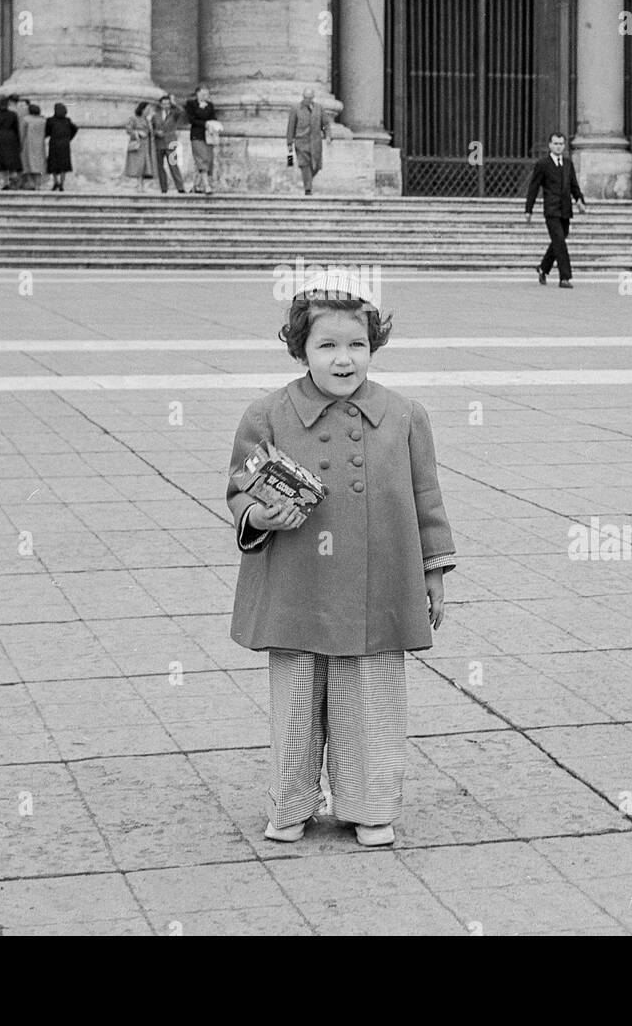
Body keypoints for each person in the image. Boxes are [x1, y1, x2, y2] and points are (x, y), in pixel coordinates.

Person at [226, 273, 456, 849]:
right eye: (326, 345)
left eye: (356, 344)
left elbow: (426, 498)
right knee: (296, 704)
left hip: (378, 587)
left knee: (371, 701)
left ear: (373, 346)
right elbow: (239, 489)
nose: (343, 359)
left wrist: (432, 572)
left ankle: (370, 805)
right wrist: (259, 517)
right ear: (300, 349)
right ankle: (291, 803)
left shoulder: (405, 415)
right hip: (298, 586)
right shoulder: (267, 415)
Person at [524, 131, 587, 288]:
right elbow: (534, 187)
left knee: (559, 240)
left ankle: (543, 268)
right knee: (560, 243)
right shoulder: (543, 164)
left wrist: (580, 200)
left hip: (565, 209)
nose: (558, 147)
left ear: (564, 146)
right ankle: (565, 277)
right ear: (550, 145)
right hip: (551, 210)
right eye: (556, 144)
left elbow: (573, 185)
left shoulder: (568, 164)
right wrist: (528, 209)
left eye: (561, 144)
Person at [286, 87, 331, 195]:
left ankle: (308, 181)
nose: (308, 100)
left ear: (313, 98)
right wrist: (289, 142)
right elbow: (291, 126)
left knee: (316, 166)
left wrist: (327, 135)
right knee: (304, 164)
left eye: (310, 98)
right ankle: (308, 189)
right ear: (303, 97)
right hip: (301, 142)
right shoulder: (296, 108)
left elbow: (324, 124)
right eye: (306, 98)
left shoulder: (319, 108)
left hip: (315, 142)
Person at [184, 85, 217, 194]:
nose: (204, 96)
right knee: (201, 159)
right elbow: (191, 119)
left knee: (208, 159)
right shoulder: (191, 104)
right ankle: (206, 186)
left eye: (206, 94)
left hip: (208, 136)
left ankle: (196, 185)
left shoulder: (210, 105)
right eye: (202, 94)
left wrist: (213, 125)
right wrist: (205, 122)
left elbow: (213, 118)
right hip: (197, 135)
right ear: (197, 93)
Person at [152, 95, 186, 194]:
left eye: (168, 103)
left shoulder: (174, 114)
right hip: (159, 143)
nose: (166, 105)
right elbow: (151, 129)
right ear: (160, 104)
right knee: (160, 167)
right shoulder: (155, 115)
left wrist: (174, 103)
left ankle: (180, 187)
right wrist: (156, 132)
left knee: (173, 165)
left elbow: (182, 112)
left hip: (171, 143)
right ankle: (164, 188)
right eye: (164, 103)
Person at [0, 95, 22, 189]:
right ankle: (13, 180)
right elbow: (16, 129)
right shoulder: (13, 114)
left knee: (1, 160)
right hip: (11, 138)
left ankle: (4, 182)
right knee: (11, 160)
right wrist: (18, 143)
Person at [45, 103, 78, 192]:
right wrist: (69, 138)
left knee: (53, 164)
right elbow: (75, 128)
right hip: (64, 145)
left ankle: (56, 181)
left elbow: (47, 131)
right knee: (64, 165)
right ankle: (62, 184)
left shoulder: (50, 120)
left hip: (54, 144)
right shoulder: (67, 121)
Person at [123, 101, 155, 191]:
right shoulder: (134, 118)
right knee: (138, 165)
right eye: (147, 109)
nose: (149, 111)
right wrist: (137, 132)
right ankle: (138, 184)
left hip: (147, 145)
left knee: (145, 166)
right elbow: (128, 129)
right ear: (142, 109)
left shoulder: (148, 120)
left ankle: (142, 184)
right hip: (138, 144)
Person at [21, 102, 48, 190]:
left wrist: (20, 144)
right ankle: (38, 184)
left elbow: (22, 133)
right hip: (40, 145)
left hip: (28, 144)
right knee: (39, 165)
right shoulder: (43, 120)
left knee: (28, 164)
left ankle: (31, 183)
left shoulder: (26, 119)